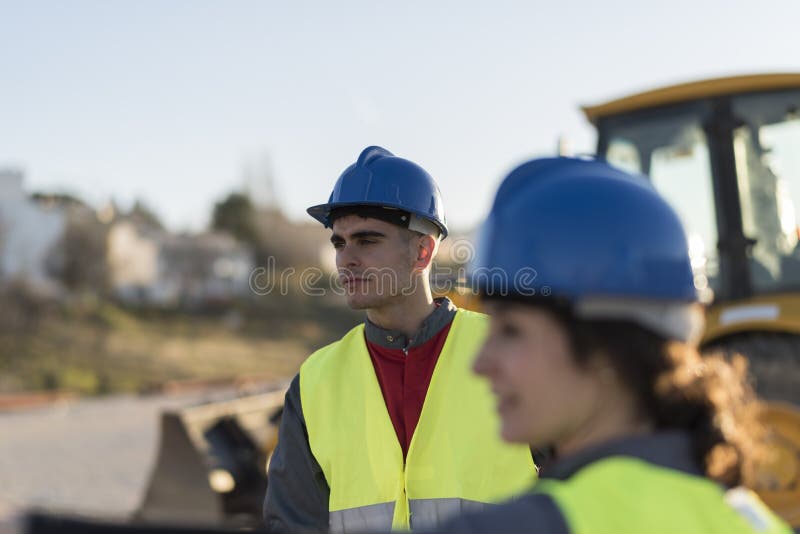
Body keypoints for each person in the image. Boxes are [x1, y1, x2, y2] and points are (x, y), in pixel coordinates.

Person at [432, 157, 791, 533]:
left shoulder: (537, 523)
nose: (480, 363)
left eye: (510, 331)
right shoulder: (751, 520)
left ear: (608, 347)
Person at [262, 146, 536, 533]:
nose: (346, 259)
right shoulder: (315, 383)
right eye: (339, 243)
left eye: (366, 240)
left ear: (422, 251)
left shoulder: (511, 354)